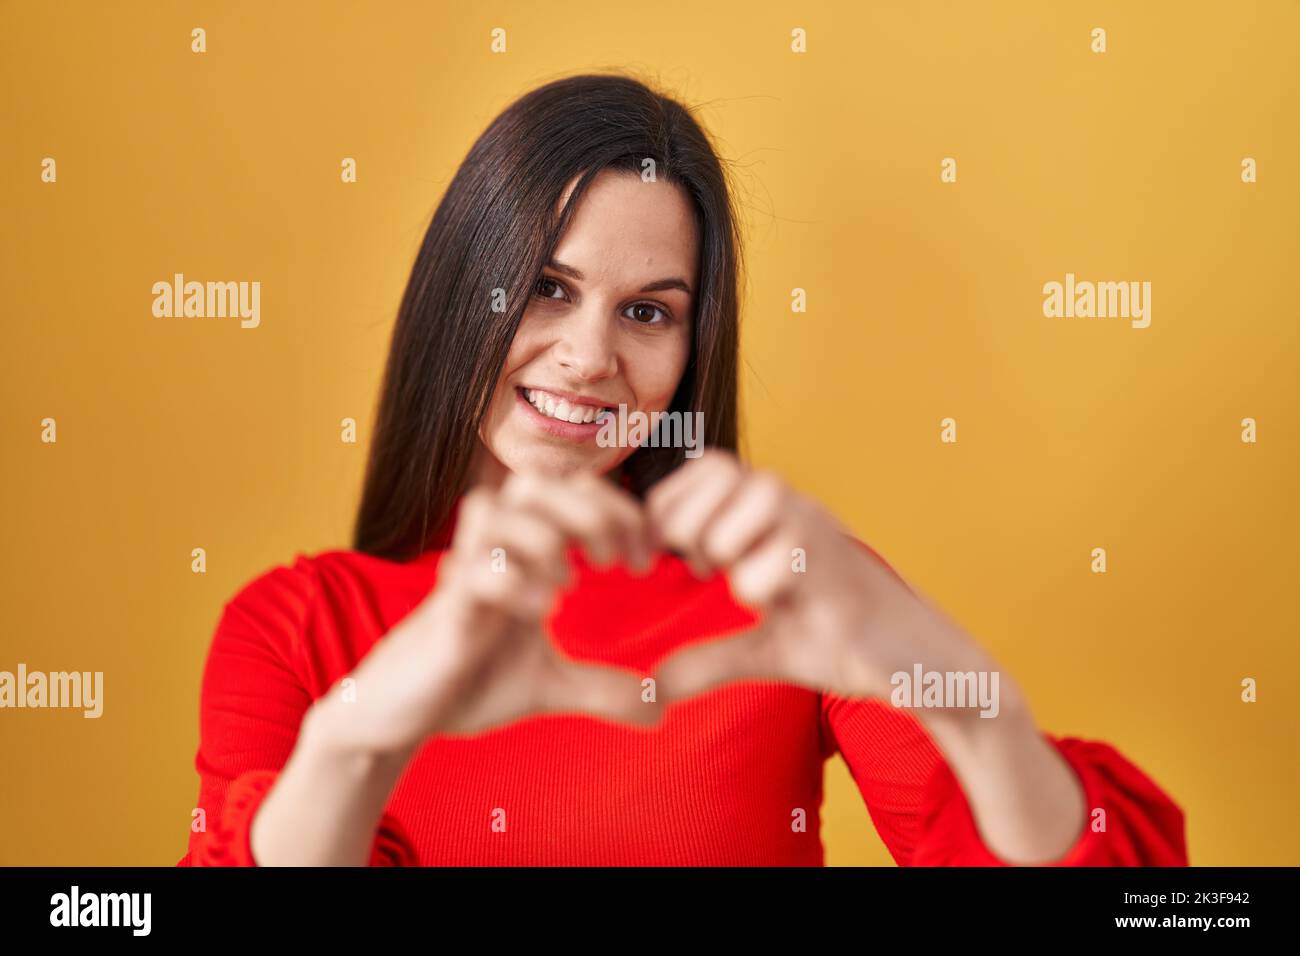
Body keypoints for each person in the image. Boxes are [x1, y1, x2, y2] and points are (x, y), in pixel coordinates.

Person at [178, 74, 1186, 867]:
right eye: (546, 287)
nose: (588, 356)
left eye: (648, 310)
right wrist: (357, 742)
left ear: (691, 350)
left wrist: (966, 694)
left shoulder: (783, 597)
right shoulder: (291, 626)